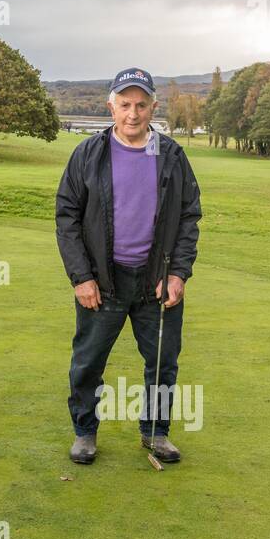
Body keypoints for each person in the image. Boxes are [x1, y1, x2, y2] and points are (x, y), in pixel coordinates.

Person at [55, 68, 201, 465]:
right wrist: (81, 277)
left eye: (141, 104)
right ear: (111, 106)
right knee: (88, 362)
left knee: (162, 362)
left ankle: (155, 432)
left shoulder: (171, 155)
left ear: (153, 106)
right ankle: (85, 432)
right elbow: (66, 217)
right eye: (124, 104)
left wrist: (177, 273)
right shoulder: (88, 153)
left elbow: (189, 217)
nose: (133, 113)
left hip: (157, 280)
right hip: (104, 281)